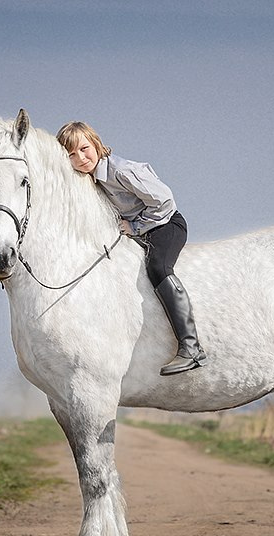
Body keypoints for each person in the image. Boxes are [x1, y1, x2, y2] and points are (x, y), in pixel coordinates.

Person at [56, 121, 208, 376]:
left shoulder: (123, 171)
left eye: (84, 148)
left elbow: (164, 201)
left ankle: (191, 347)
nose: (80, 158)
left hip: (166, 225)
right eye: (71, 155)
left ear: (96, 143)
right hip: (141, 230)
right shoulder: (91, 179)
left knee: (158, 267)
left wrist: (135, 226)